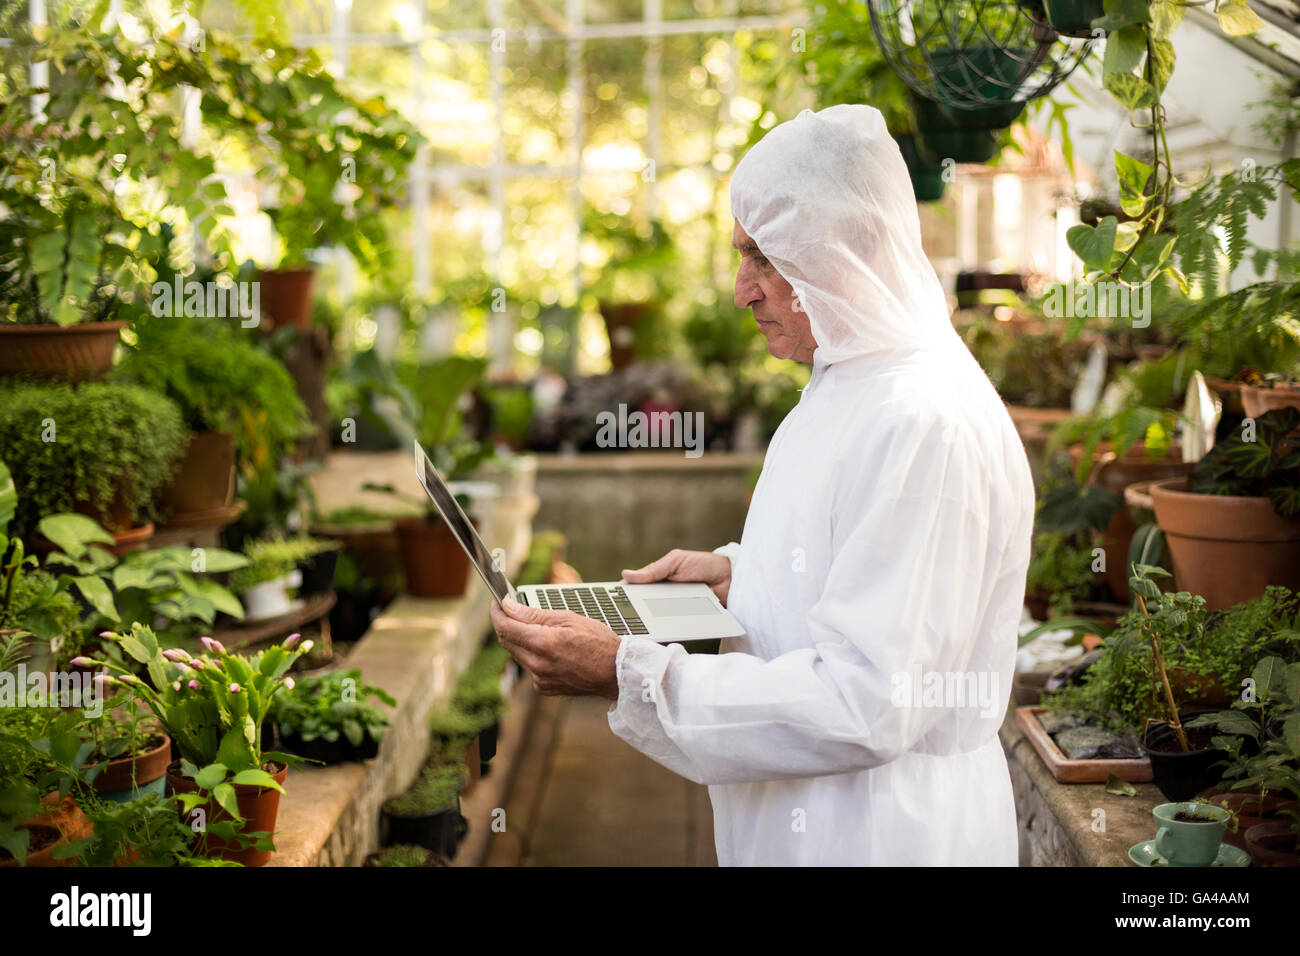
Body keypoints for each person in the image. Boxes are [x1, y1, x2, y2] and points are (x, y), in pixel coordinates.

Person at [489, 104, 1035, 865]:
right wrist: (738, 574)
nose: (742, 291)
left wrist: (630, 673)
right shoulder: (852, 379)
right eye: (742, 257)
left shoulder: (924, 421)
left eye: (766, 258)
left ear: (843, 253)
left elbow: (867, 703)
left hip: (880, 834)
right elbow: (866, 565)